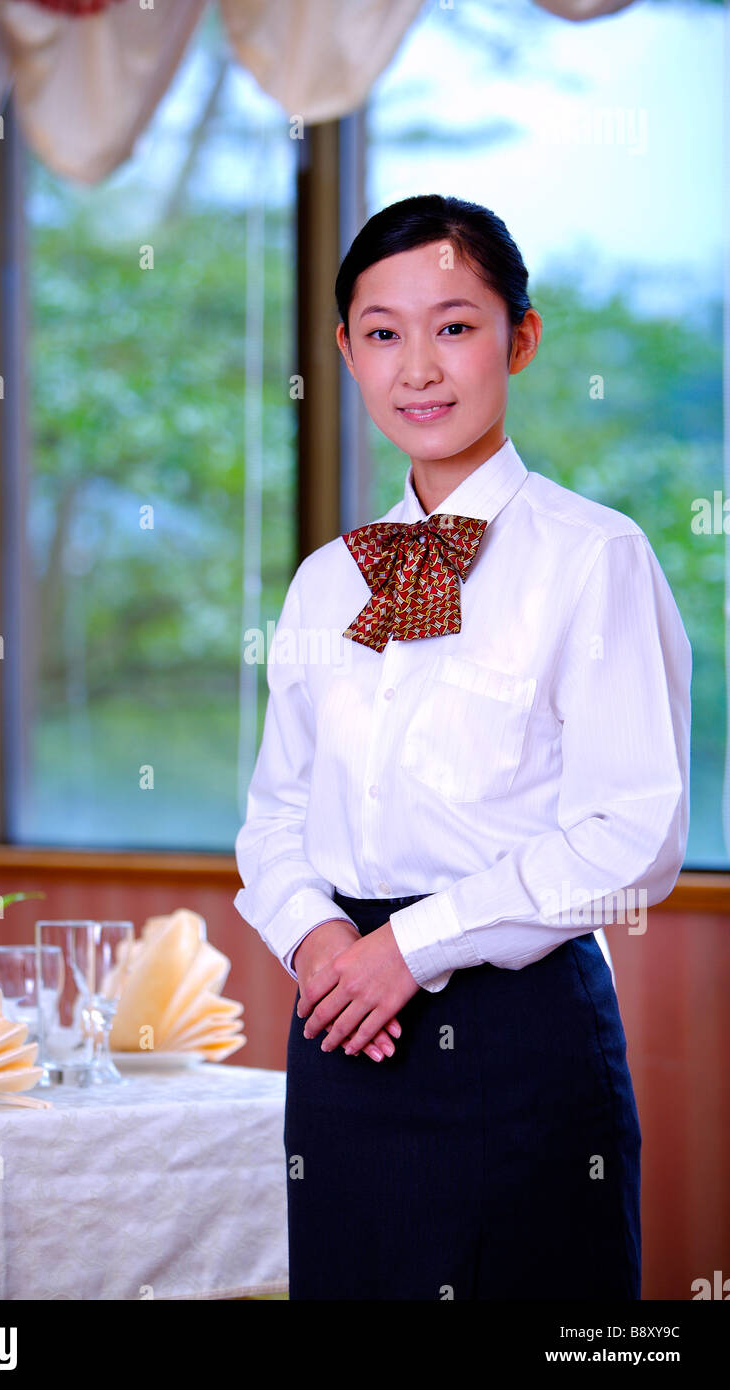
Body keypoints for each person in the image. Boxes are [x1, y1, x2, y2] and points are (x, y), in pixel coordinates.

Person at [233, 194, 691, 1301]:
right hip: (343, 1030)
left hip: (516, 1031)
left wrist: (413, 949)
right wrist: (321, 942)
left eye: (455, 324)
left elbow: (633, 833)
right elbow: (274, 816)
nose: (418, 367)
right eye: (383, 332)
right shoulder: (327, 578)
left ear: (520, 338)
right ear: (345, 351)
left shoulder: (595, 558)